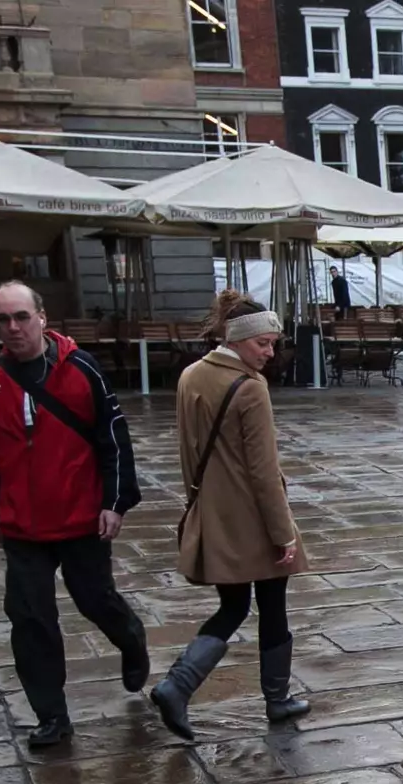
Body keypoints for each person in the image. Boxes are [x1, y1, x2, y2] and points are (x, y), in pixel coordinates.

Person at [0, 280, 148, 750]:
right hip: (22, 526)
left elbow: (114, 439)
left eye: (21, 317)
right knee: (31, 620)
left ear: (42, 318)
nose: (13, 328)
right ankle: (51, 715)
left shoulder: (81, 369)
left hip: (80, 518)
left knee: (95, 600)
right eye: (3, 319)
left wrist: (114, 502)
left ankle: (130, 637)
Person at [151, 290, 311, 740]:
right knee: (273, 605)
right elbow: (263, 472)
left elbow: (186, 450)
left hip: (214, 513)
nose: (270, 352)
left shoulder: (191, 376)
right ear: (239, 340)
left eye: (273, 343)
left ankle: (178, 685)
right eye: (263, 343)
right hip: (255, 521)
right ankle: (276, 699)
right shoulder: (250, 387)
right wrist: (284, 535)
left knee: (234, 604)